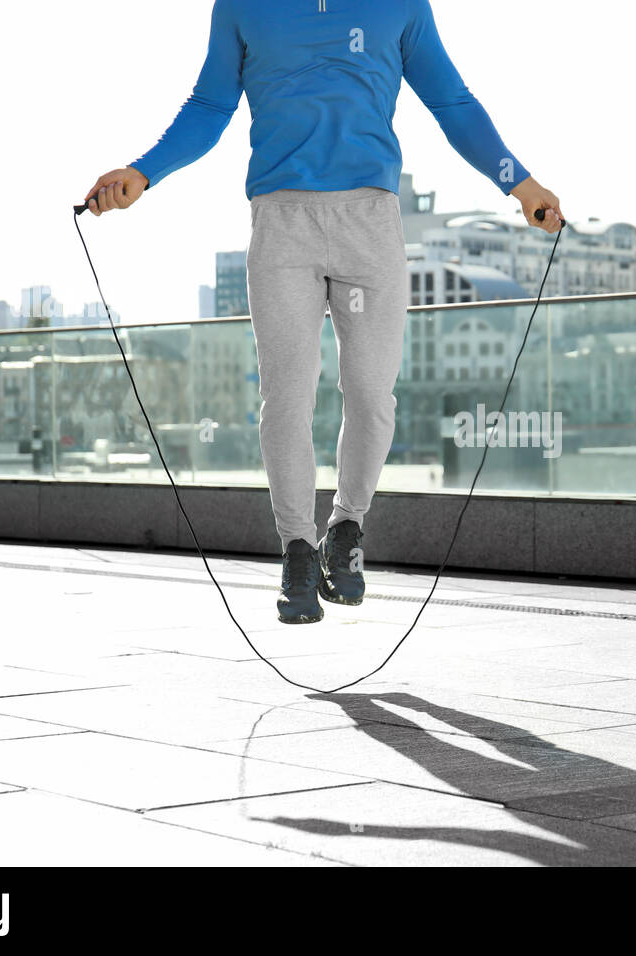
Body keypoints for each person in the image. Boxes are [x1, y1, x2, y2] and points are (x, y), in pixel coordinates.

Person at [83, 0, 563, 625]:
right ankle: (298, 550)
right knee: (287, 394)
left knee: (371, 392)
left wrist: (518, 183)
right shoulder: (241, 7)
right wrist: (143, 173)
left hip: (370, 221)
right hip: (282, 224)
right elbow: (209, 106)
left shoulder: (401, 7)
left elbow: (453, 102)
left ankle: (346, 529)